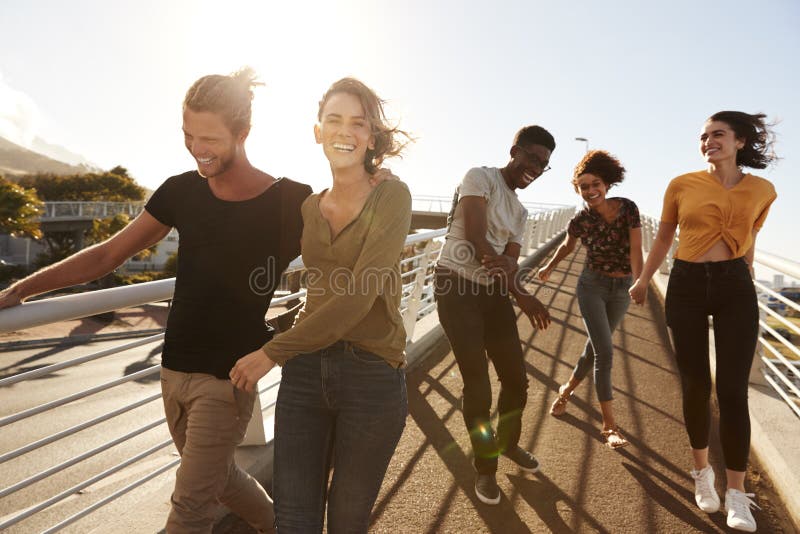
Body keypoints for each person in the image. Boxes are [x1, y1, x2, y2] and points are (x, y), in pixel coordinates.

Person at [0, 68, 313, 533]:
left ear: (243, 133)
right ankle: (288, 527)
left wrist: (282, 345)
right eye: (188, 135)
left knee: (189, 509)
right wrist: (21, 289)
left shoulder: (291, 200)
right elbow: (108, 254)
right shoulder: (181, 190)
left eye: (209, 138)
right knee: (219, 479)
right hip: (174, 370)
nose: (196, 148)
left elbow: (340, 273)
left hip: (228, 378)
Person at [229, 77, 412, 533]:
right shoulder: (310, 207)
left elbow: (359, 294)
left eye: (358, 122)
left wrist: (273, 351)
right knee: (293, 518)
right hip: (306, 372)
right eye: (334, 120)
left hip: (372, 373)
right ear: (318, 131)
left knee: (347, 520)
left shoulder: (392, 195)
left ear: (371, 137)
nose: (344, 131)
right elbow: (294, 277)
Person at [629, 111, 777, 532]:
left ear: (740, 142)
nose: (708, 141)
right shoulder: (681, 184)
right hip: (688, 283)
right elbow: (663, 237)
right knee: (695, 384)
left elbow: (751, 234)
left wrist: (745, 272)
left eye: (718, 134)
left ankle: (736, 492)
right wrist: (642, 281)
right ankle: (701, 475)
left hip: (735, 284)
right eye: (704, 136)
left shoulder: (763, 189)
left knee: (732, 390)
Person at [433, 125, 553, 506]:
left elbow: (510, 261)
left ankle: (508, 444)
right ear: (514, 150)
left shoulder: (520, 212)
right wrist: (524, 296)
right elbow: (475, 236)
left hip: (492, 292)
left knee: (517, 380)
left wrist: (511, 279)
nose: (535, 167)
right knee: (478, 384)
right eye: (532, 157)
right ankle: (486, 470)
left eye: (544, 165)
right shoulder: (480, 177)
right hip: (457, 286)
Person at [537, 150, 642, 449]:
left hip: (621, 288)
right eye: (584, 187)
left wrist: (641, 281)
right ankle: (609, 426)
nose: (591, 191)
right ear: (578, 190)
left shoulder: (628, 209)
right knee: (605, 353)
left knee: (593, 350)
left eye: (595, 184)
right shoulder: (580, 220)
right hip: (592, 287)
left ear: (606, 184)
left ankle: (565, 391)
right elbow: (567, 247)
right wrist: (550, 266)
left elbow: (637, 249)